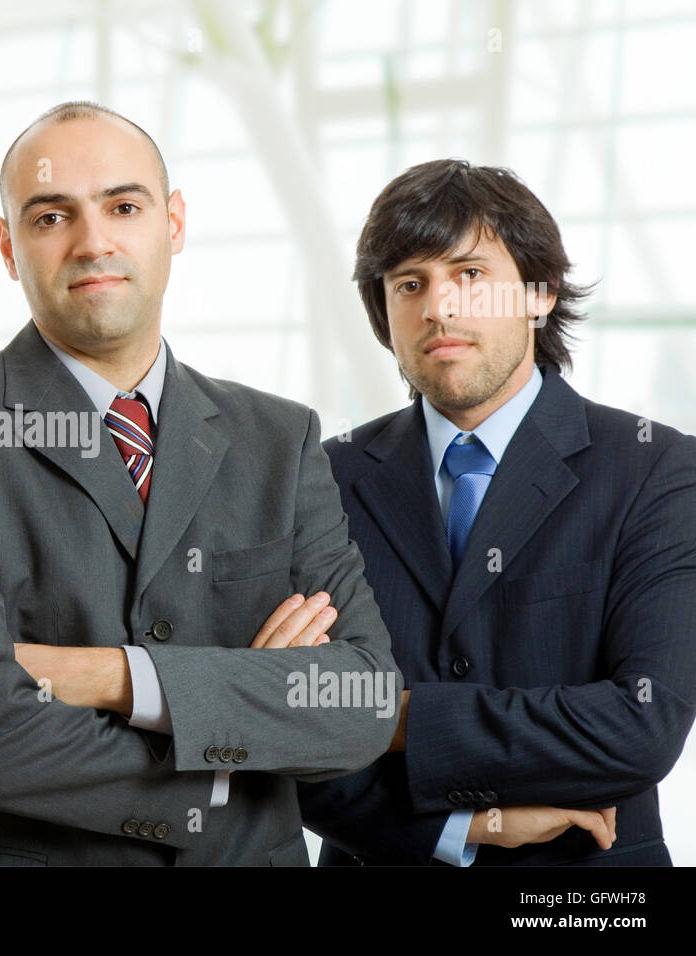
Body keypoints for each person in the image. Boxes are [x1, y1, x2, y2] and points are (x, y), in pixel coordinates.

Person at [0, 101, 400, 865]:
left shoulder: (279, 439)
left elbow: (363, 700)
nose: (94, 241)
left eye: (123, 206)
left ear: (172, 225)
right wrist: (234, 737)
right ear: (9, 247)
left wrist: (118, 676)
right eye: (51, 217)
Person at [298, 159, 696, 866]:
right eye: (409, 284)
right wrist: (470, 827)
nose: (439, 308)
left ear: (539, 293)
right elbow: (287, 732)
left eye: (470, 276)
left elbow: (643, 725)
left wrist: (392, 718)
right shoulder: (323, 477)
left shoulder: (657, 471)